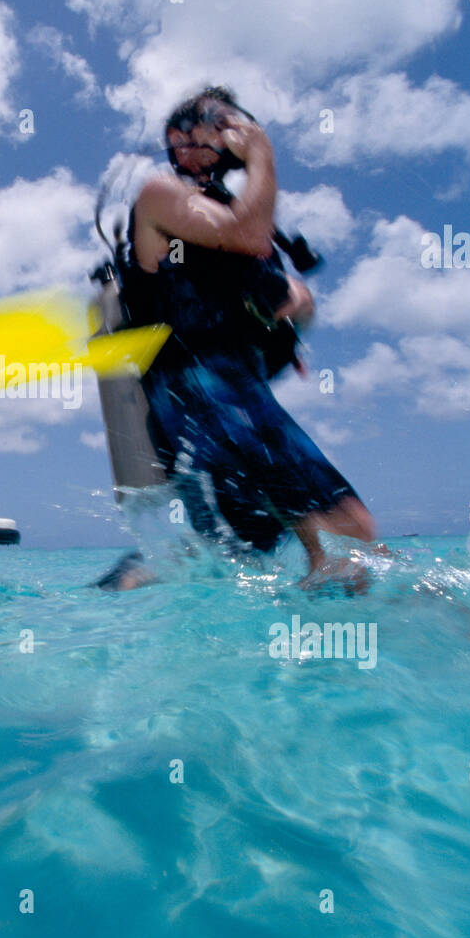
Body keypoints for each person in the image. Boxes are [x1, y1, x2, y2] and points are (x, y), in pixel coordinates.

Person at [120, 85, 376, 587]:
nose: (239, 132)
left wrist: (300, 304)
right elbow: (248, 234)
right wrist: (263, 153)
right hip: (195, 393)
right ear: (180, 137)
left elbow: (272, 296)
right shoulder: (160, 193)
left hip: (241, 391)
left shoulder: (231, 217)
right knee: (344, 539)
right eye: (223, 121)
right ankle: (337, 651)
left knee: (227, 562)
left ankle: (128, 590)